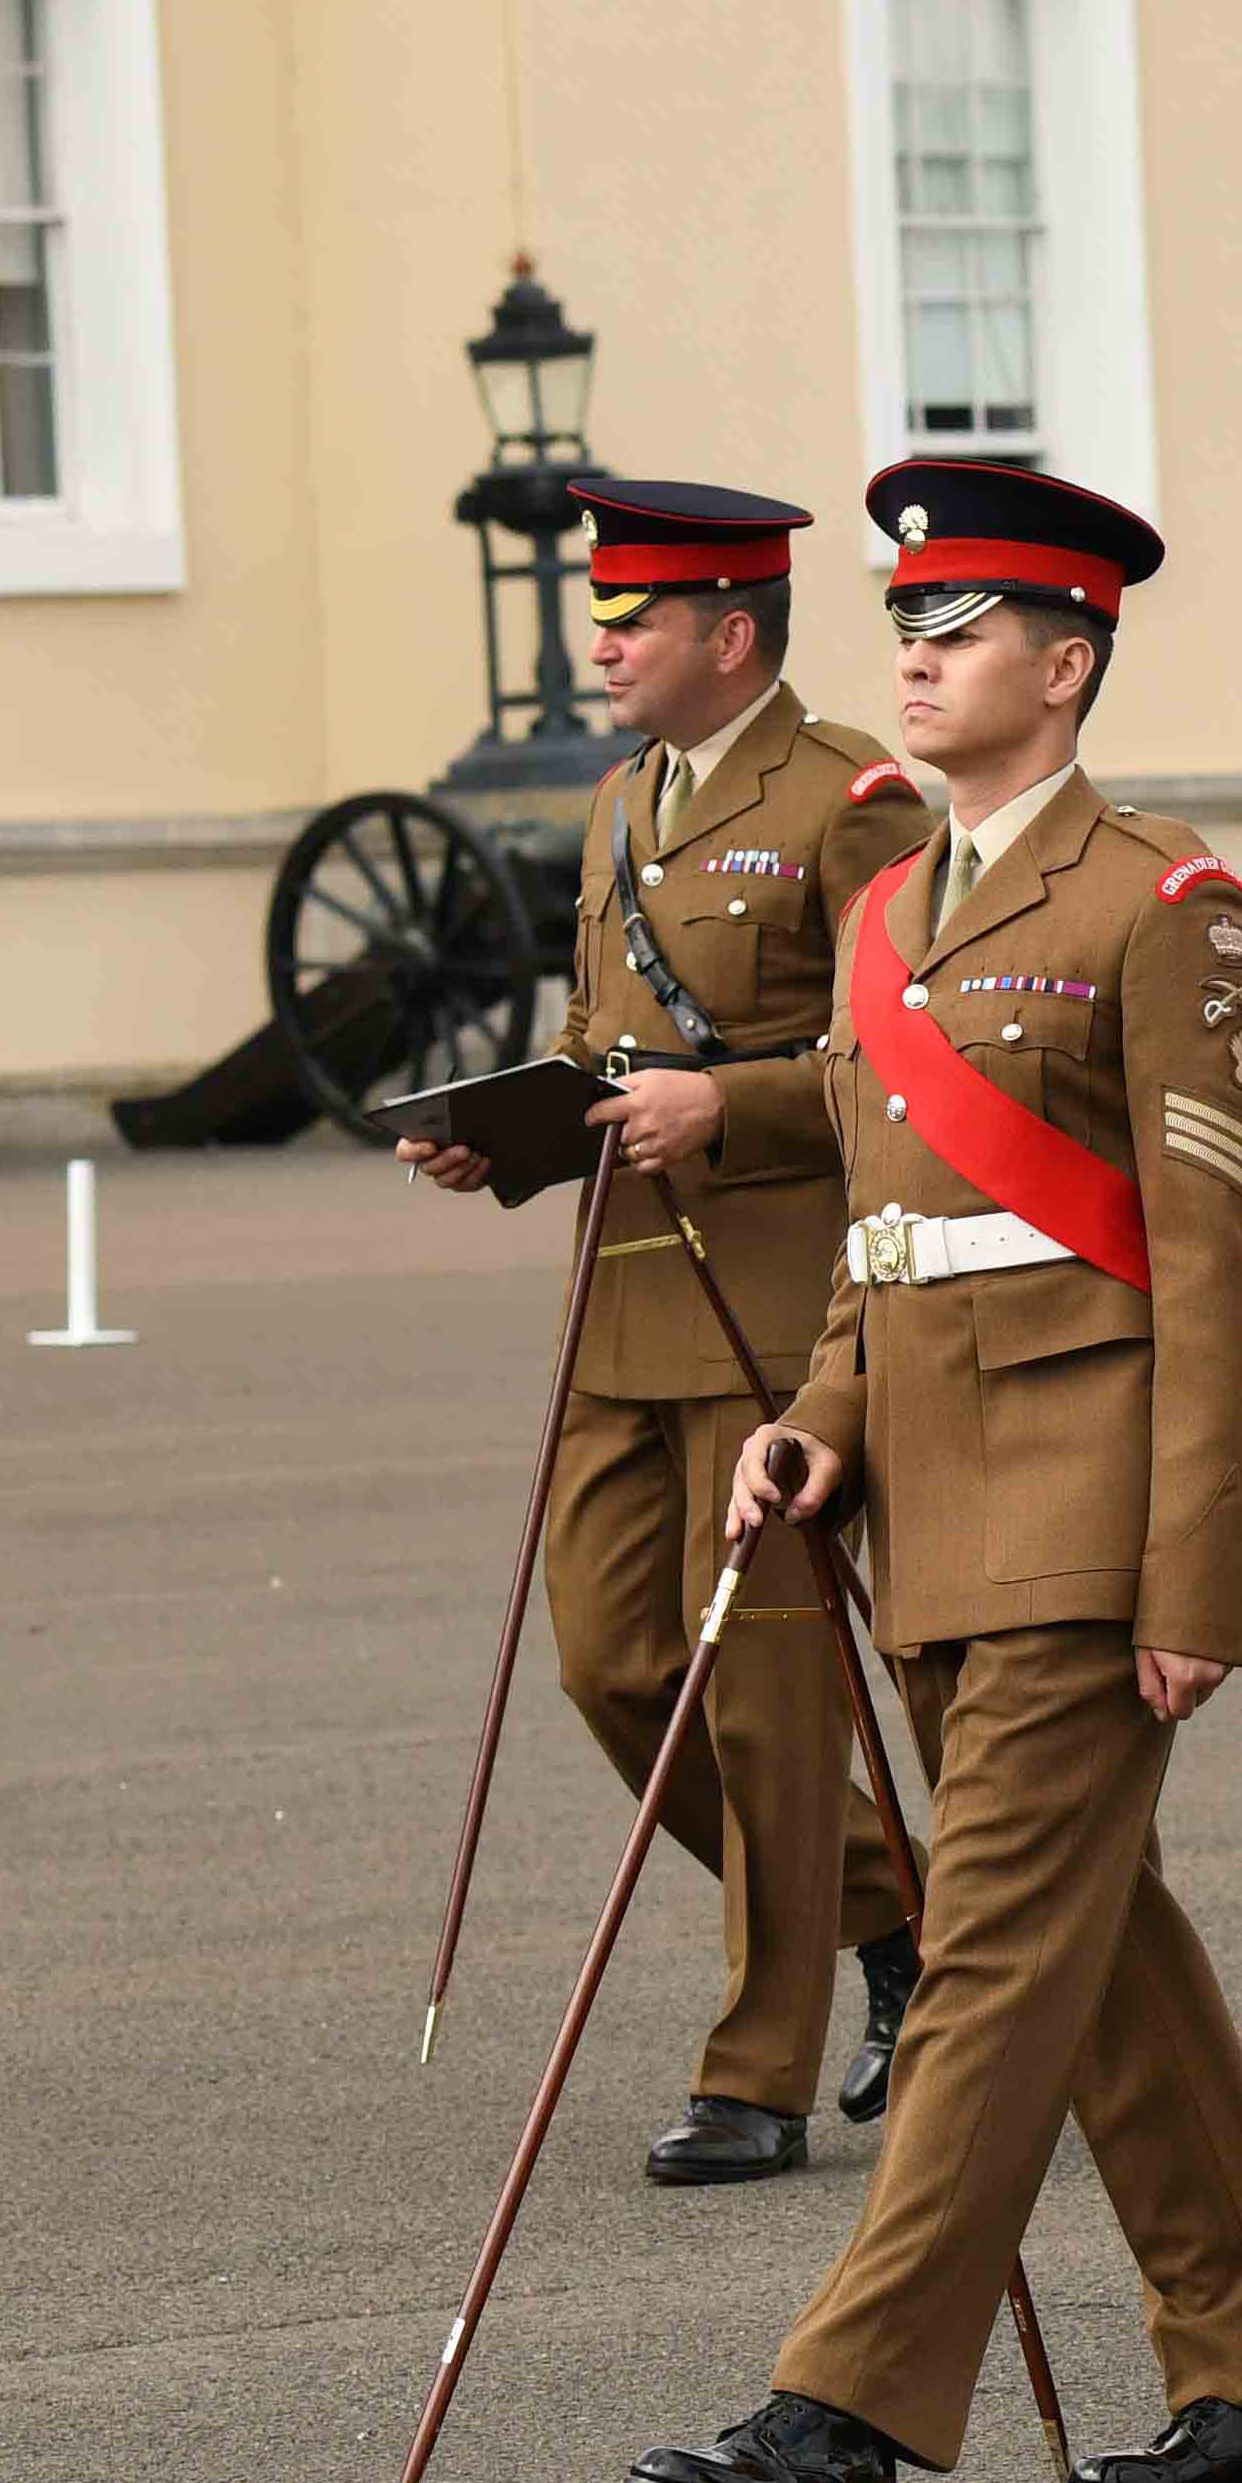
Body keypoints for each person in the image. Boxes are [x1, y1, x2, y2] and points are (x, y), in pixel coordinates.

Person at [625, 459, 1242, 2483]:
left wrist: (1202, 1572)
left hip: (1087, 1511)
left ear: (1068, 660)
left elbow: (1226, 1263)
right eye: (907, 623)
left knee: (992, 1955)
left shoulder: (1165, 902)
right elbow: (885, 1231)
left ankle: (843, 2411)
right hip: (926, 1502)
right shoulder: (885, 915)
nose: (919, 655)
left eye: (964, 626)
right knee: (1098, 1947)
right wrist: (826, 1414)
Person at [390, 478, 932, 2183]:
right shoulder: (624, 795)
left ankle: (753, 2070)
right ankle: (894, 1906)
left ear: (732, 631)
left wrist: (735, 1103)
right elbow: (594, 1036)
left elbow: (909, 1061)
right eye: (601, 612)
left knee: (769, 1700)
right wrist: (506, 1136)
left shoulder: (846, 798)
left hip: (773, 1307)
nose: (601, 639)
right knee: (612, 1658)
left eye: (634, 618)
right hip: (626, 1296)